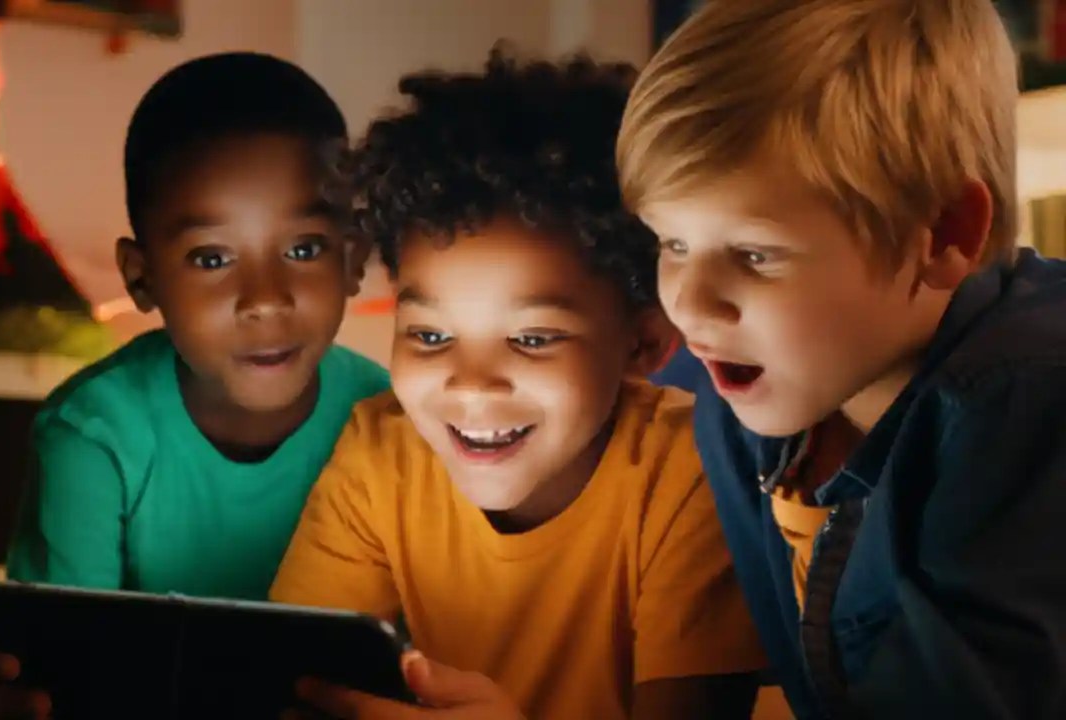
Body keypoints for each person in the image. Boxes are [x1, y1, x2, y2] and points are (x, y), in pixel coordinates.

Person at [272, 50, 766, 720]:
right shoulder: (379, 454)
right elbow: (288, 683)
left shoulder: (694, 473)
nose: (470, 387)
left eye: (533, 339)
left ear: (644, 342)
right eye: (430, 336)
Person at [615, 0, 1066, 717]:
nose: (690, 305)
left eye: (755, 254)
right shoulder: (742, 399)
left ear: (944, 234)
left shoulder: (1025, 407)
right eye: (672, 243)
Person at [0, 52, 389, 720]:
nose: (265, 300)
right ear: (141, 276)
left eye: (303, 249)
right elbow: (61, 672)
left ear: (352, 257)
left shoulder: (389, 422)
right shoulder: (92, 433)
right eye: (212, 258)